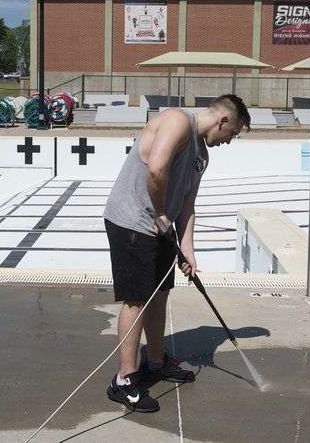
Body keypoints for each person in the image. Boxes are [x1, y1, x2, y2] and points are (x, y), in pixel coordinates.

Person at [103, 94, 251, 412]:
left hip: (160, 227)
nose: (228, 142)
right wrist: (160, 215)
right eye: (232, 134)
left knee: (160, 293)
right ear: (223, 121)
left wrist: (187, 250)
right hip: (131, 221)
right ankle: (124, 380)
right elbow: (156, 170)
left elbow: (186, 204)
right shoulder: (177, 121)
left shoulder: (202, 156)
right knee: (137, 299)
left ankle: (156, 363)